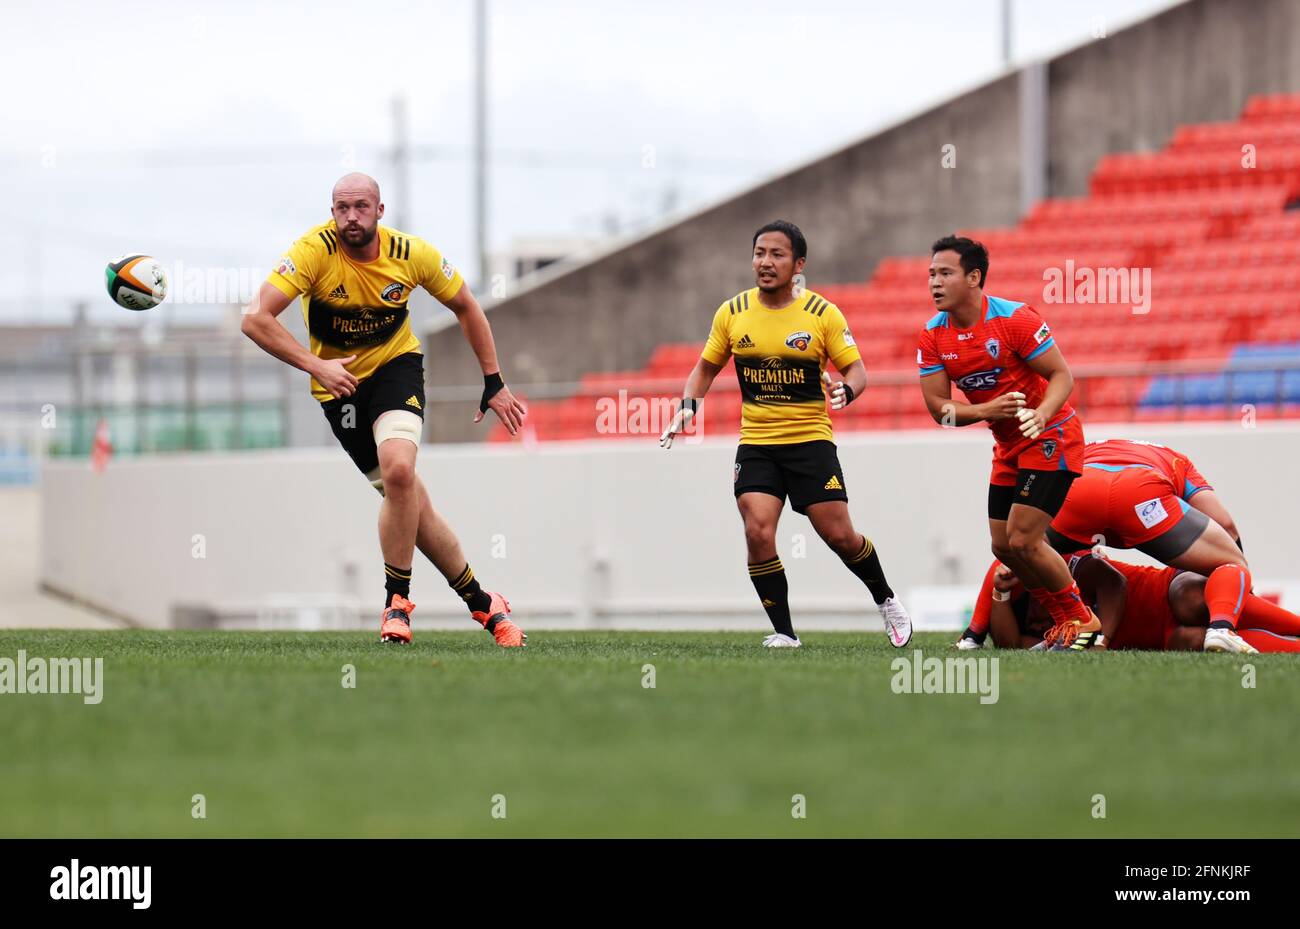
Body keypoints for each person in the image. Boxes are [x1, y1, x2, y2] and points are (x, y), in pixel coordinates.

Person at [241, 172, 527, 647]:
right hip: (340, 389)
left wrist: (493, 381)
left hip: (397, 369)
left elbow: (467, 307)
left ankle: (397, 603)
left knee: (398, 474)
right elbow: (255, 319)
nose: (350, 217)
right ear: (332, 211)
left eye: (360, 206)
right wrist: (317, 365)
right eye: (340, 207)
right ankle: (484, 603)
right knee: (411, 502)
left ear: (379, 211)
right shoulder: (312, 252)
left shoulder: (413, 255)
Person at [660, 220, 911, 648]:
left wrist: (847, 390)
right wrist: (688, 407)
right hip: (757, 443)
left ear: (799, 264)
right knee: (757, 531)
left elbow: (857, 370)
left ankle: (885, 598)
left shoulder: (822, 314)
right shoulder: (732, 312)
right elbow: (704, 369)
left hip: (810, 441)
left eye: (777, 254)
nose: (765, 262)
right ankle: (785, 633)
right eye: (760, 253)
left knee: (839, 536)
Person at [918, 235, 1100, 649]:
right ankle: (1064, 623)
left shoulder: (1014, 319)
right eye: (931, 274)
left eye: (945, 273)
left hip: (1050, 436)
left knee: (1023, 539)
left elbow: (1062, 377)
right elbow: (938, 409)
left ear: (974, 277)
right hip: (1007, 446)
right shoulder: (932, 337)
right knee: (1004, 546)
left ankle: (1083, 622)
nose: (935, 283)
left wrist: (1040, 414)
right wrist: (986, 411)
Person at [974, 555, 1300, 654]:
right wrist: (999, 595)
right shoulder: (1039, 630)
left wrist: (1103, 640)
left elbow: (1113, 582)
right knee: (1188, 641)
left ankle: (1225, 626)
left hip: (1164, 589)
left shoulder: (1056, 563)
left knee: (1189, 602)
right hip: (1157, 637)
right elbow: (1010, 643)